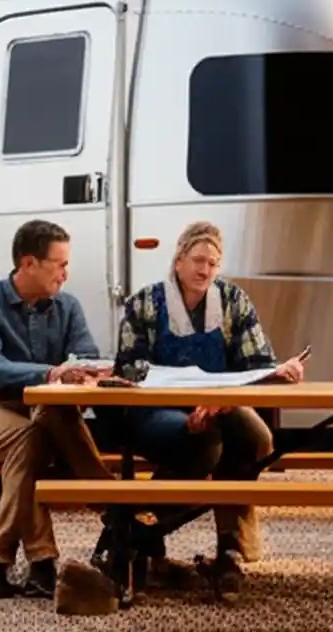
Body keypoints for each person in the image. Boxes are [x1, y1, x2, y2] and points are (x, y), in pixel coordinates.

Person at [113, 221, 305, 598]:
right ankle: (142, 535)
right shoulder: (145, 303)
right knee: (205, 445)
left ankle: (228, 548)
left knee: (254, 438)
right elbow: (129, 370)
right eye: (198, 260)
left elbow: (257, 362)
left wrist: (279, 371)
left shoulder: (234, 301)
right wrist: (177, 394)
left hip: (219, 403)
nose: (205, 270)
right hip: (155, 406)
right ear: (179, 260)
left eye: (213, 263)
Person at [0, 219, 116, 599]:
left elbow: (86, 356)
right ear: (28, 264)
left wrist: (87, 371)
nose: (66, 273)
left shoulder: (68, 306)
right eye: (59, 264)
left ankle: (26, 564)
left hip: (45, 410)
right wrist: (52, 372)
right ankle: (109, 507)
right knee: (30, 439)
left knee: (40, 430)